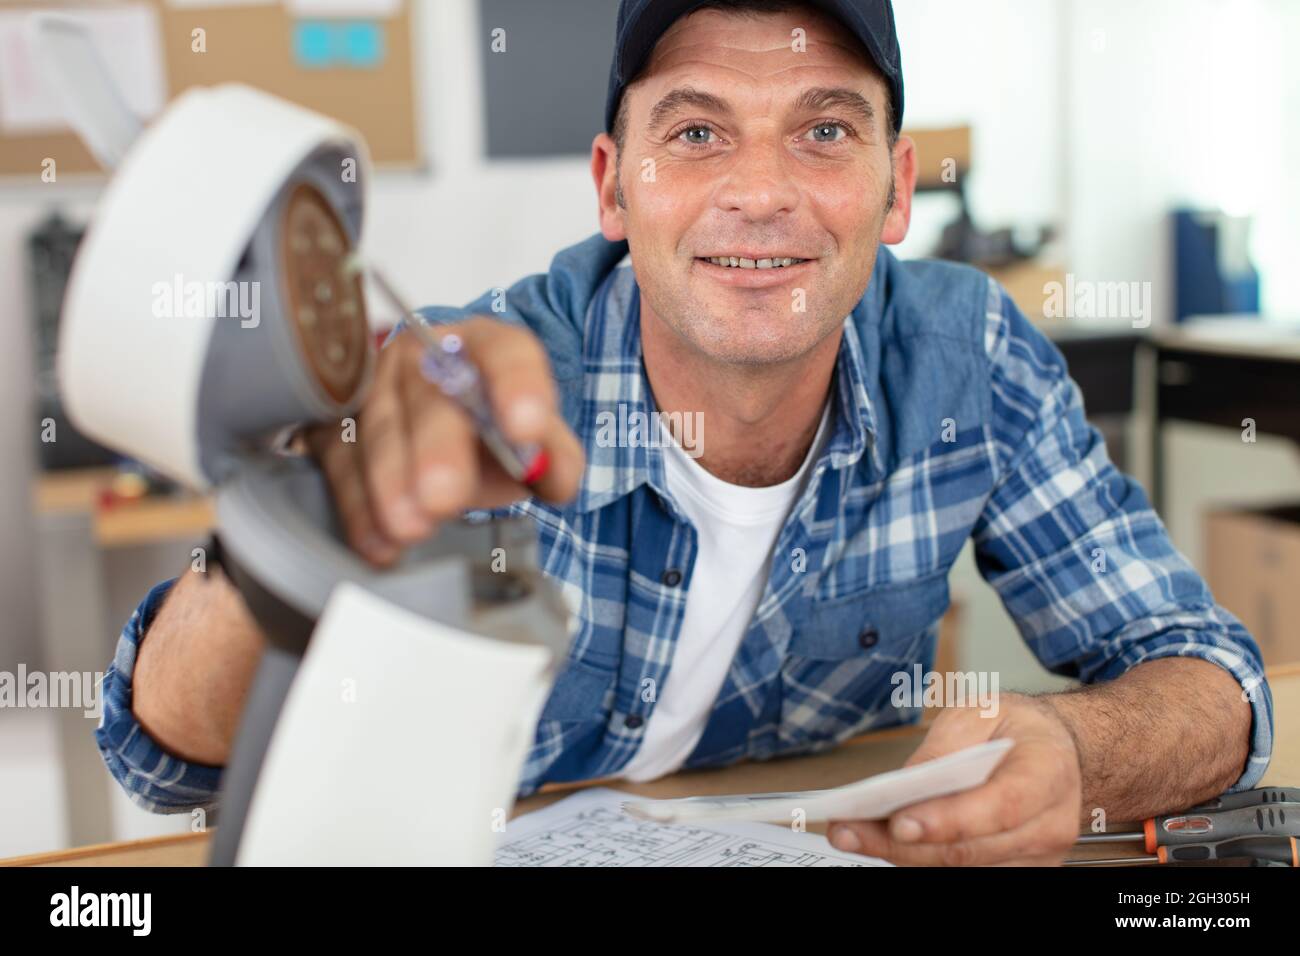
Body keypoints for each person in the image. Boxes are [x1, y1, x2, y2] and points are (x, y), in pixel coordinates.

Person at [97, 0, 1271, 866]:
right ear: (613, 187)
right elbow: (163, 752)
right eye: (698, 133)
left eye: (822, 132)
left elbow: (1213, 678)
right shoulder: (461, 383)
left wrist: (1078, 748)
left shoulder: (970, 356)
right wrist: (317, 503)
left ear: (896, 186)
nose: (759, 192)